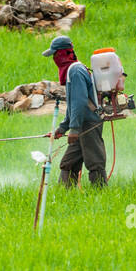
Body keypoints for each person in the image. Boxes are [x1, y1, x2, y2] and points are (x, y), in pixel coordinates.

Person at [42, 35, 107, 188]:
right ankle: (64, 195)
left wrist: (74, 129)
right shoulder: (73, 70)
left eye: (55, 55)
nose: (54, 59)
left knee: (94, 161)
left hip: (88, 122)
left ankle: (101, 193)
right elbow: (73, 106)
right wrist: (63, 128)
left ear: (62, 54)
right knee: (68, 163)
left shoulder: (75, 71)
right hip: (80, 124)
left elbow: (79, 102)